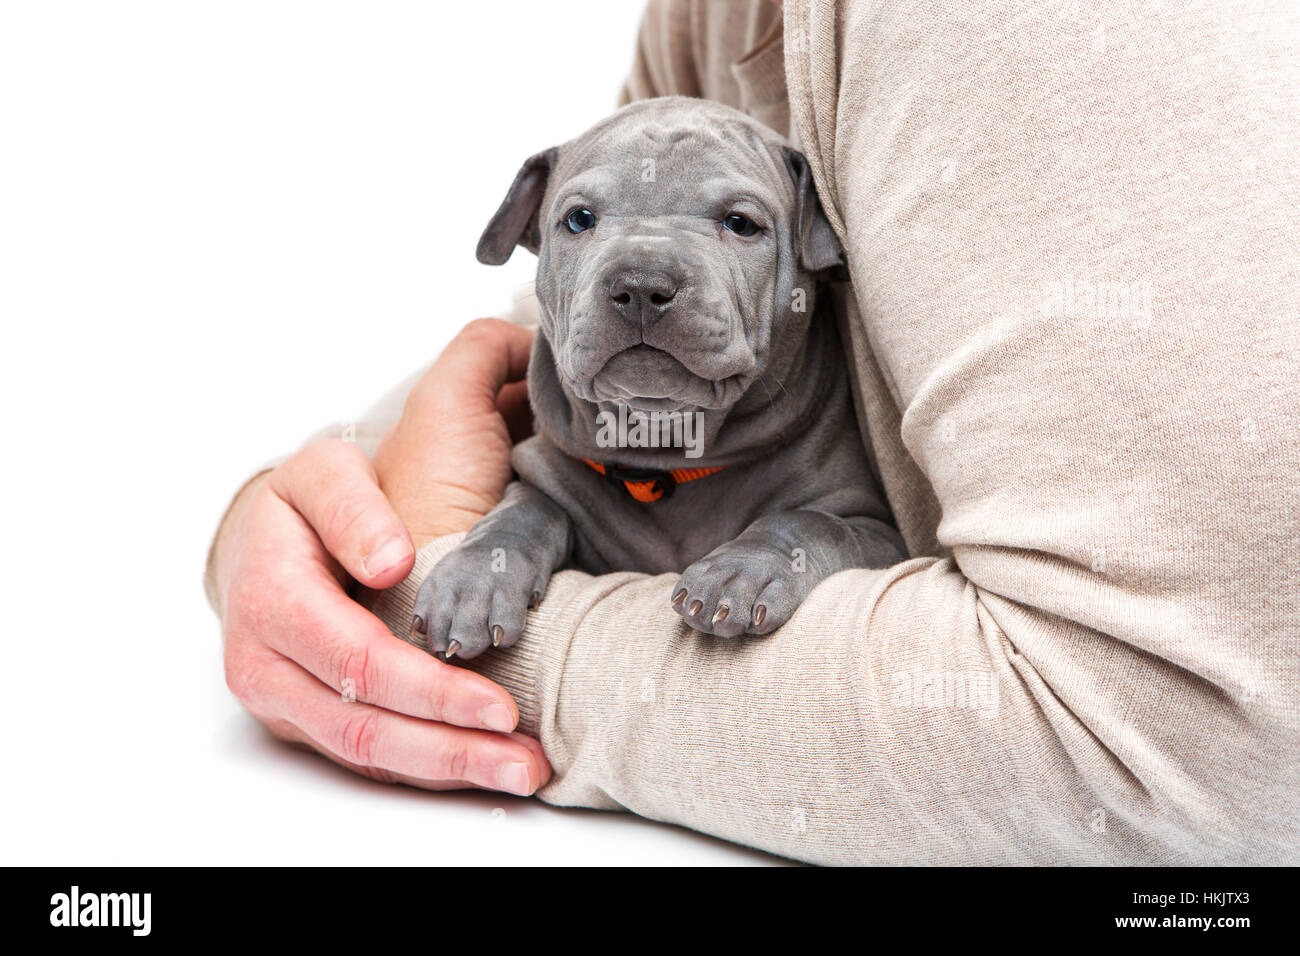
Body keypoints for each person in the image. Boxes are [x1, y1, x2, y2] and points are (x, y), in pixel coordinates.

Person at [205, 0, 1300, 864]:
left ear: (816, 252)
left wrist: (448, 638)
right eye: (581, 221)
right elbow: (540, 342)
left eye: (734, 224)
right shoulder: (701, 30)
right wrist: (303, 511)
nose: (643, 272)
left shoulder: (1007, 31)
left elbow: (1195, 743)